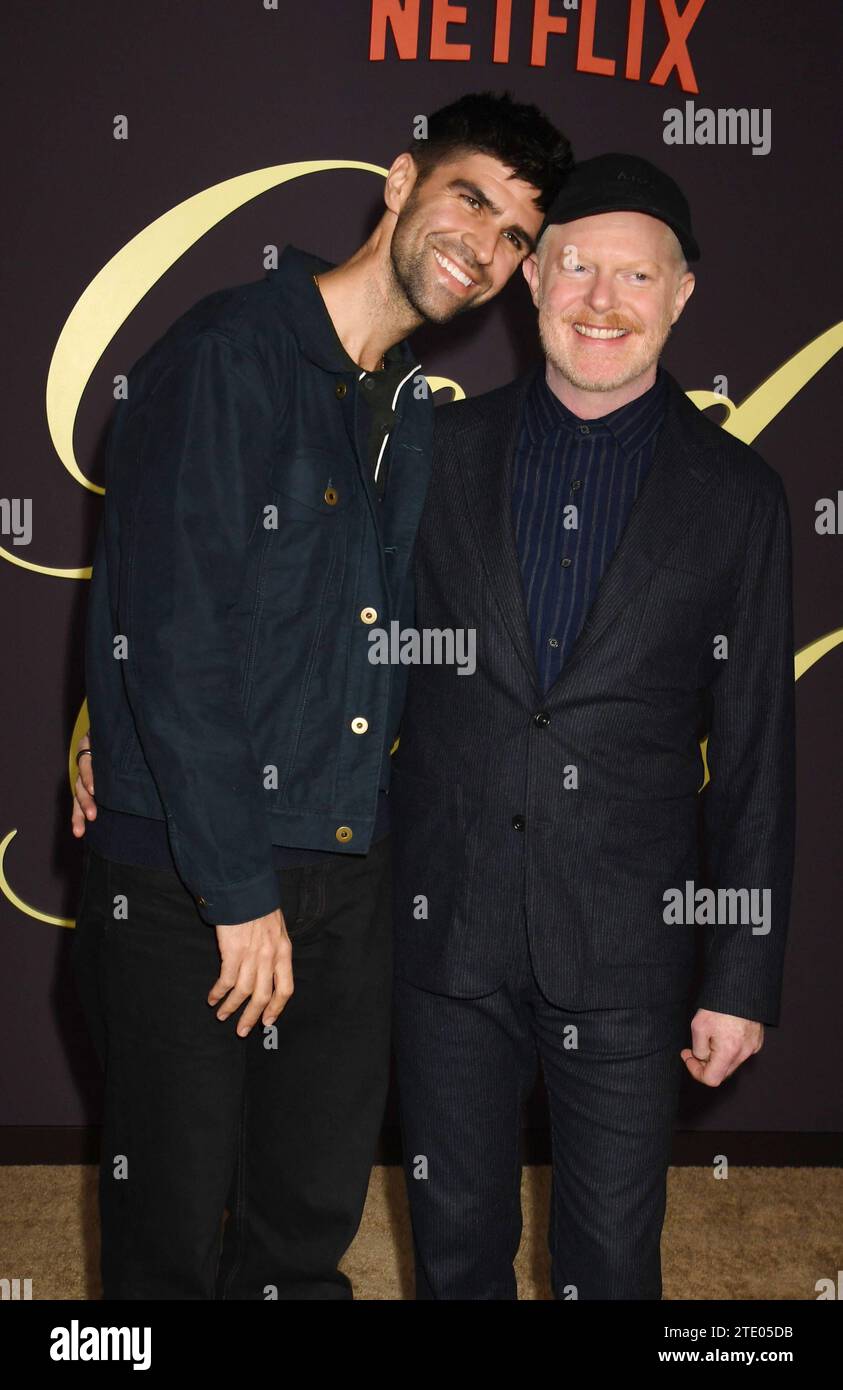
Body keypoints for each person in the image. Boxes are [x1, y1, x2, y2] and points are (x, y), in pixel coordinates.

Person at [69, 91, 572, 1300]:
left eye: (516, 236)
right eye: (471, 199)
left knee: (305, 1228)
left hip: (348, 870)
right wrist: (239, 892)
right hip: (194, 879)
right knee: (172, 1241)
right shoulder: (224, 353)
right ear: (400, 182)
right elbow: (174, 631)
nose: (487, 247)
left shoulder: (404, 406)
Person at [389, 153, 796, 1299]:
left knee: (610, 1265)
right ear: (531, 280)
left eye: (634, 276)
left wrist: (744, 971)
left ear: (681, 296)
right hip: (448, 934)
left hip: (627, 951)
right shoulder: (435, 451)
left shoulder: (740, 496)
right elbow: (348, 656)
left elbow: (760, 750)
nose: (600, 302)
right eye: (575, 266)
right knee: (455, 1250)